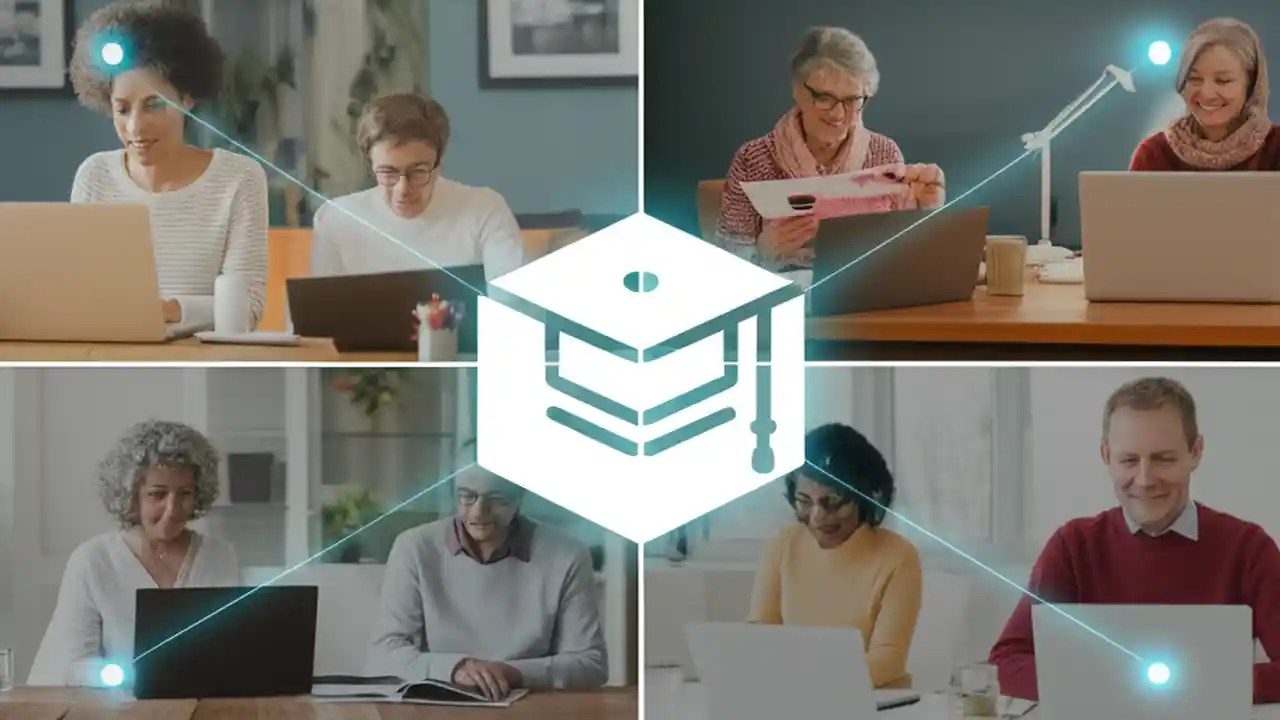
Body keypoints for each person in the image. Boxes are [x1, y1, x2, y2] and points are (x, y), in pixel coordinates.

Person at [988, 377, 1280, 703]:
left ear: (1195, 452)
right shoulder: (1073, 546)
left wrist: (1198, 684)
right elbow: (1006, 663)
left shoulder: (1248, 548)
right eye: (1129, 460)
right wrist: (1117, 684)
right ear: (1105, 455)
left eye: (1164, 459)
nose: (1144, 480)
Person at [67, 1, 269, 330]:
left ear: (186, 99)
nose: (135, 127)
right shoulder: (95, 176)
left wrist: (168, 310)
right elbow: (77, 296)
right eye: (123, 109)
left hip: (201, 368)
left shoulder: (238, 179)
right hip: (110, 358)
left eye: (153, 105)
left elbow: (246, 309)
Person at [367, 461, 607, 698]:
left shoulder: (567, 554)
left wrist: (511, 673)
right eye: (467, 497)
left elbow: (590, 664)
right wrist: (457, 668)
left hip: (533, 708)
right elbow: (383, 656)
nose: (479, 512)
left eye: (497, 498)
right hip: (440, 707)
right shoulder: (414, 547)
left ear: (520, 496)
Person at [27, 421, 240, 687]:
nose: (172, 509)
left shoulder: (220, 556)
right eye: (157, 494)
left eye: (184, 494)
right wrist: (136, 674)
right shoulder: (93, 560)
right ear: (131, 495)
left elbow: (233, 652)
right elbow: (70, 667)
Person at [716, 26, 946, 271]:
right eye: (824, 98)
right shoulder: (753, 160)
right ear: (797, 90)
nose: (838, 114)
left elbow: (902, 257)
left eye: (852, 100)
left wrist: (927, 213)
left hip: (864, 300)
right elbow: (723, 270)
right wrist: (762, 253)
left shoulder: (885, 153)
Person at [747, 424, 923, 689]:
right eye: (804, 501)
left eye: (833, 502)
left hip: (874, 703)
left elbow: (888, 659)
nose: (817, 516)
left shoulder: (898, 557)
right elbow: (759, 637)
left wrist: (808, 683)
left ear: (865, 497)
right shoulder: (783, 545)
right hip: (794, 699)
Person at [309, 93, 525, 283]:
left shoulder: (484, 210)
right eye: (388, 172)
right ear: (371, 165)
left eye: (417, 171)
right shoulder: (336, 219)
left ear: (439, 162)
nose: (402, 189)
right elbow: (313, 322)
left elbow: (515, 308)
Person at [1131, 18, 1280, 171]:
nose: (1207, 93)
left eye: (1223, 81)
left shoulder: (1275, 150)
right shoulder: (1153, 155)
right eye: (1195, 79)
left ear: (1251, 84)